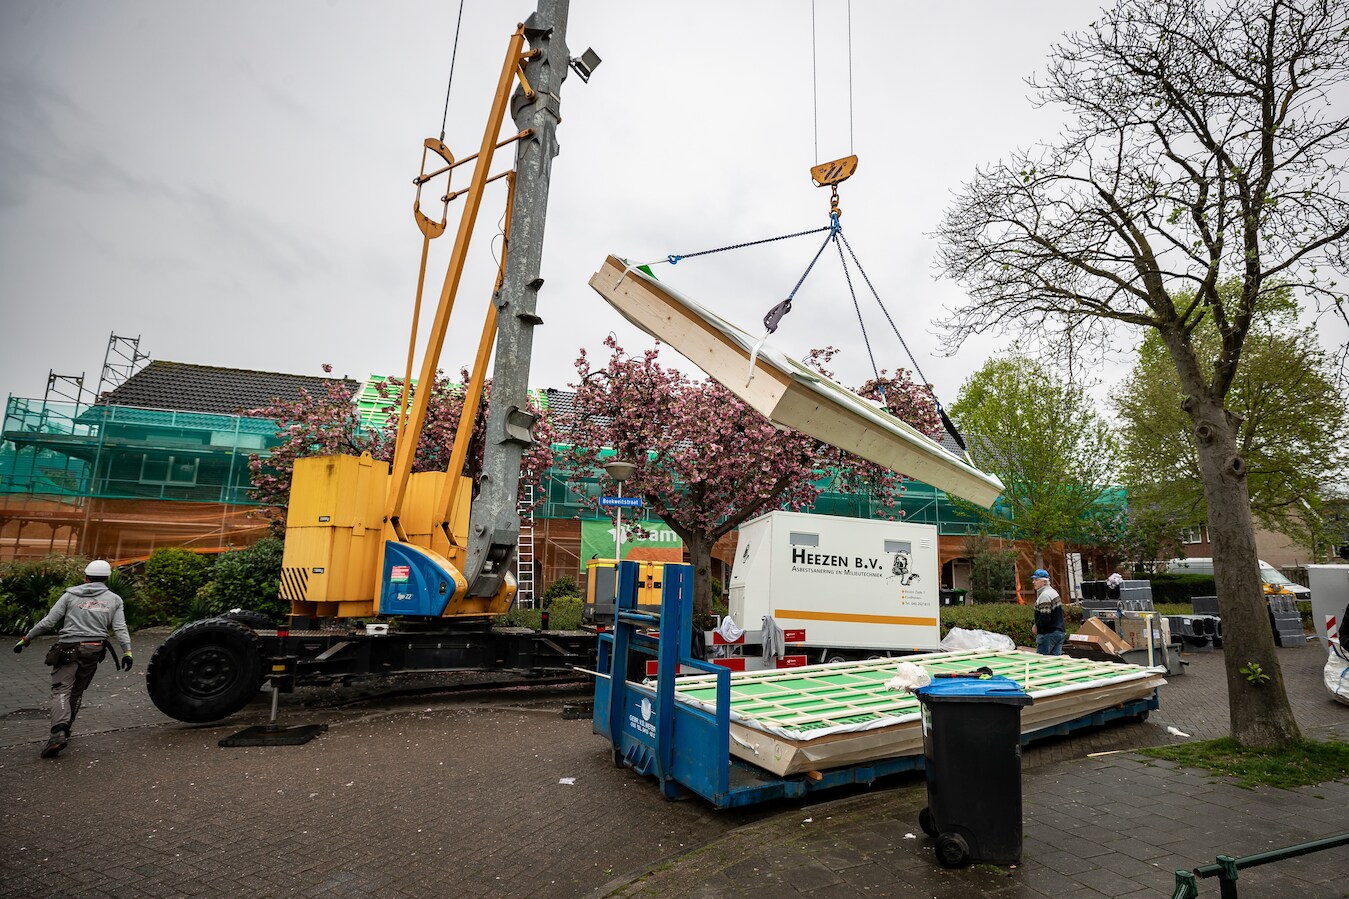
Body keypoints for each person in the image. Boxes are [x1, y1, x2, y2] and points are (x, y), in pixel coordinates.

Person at [12, 560, 133, 758]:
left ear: (85, 576)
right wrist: (127, 652)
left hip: (67, 649)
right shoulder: (114, 599)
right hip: (93, 650)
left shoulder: (70, 596)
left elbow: (48, 621)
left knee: (61, 690)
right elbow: (120, 628)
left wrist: (26, 639)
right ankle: (66, 730)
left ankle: (57, 733)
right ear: (106, 578)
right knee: (76, 692)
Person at [1030, 568, 1065, 655]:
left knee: (1042, 661)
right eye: (1033, 579)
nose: (1033, 582)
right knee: (1054, 662)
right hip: (1059, 631)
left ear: (1044, 582)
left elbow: (1045, 617)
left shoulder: (1044, 596)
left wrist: (1036, 626)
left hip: (1048, 633)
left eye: (1036, 580)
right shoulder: (1053, 592)